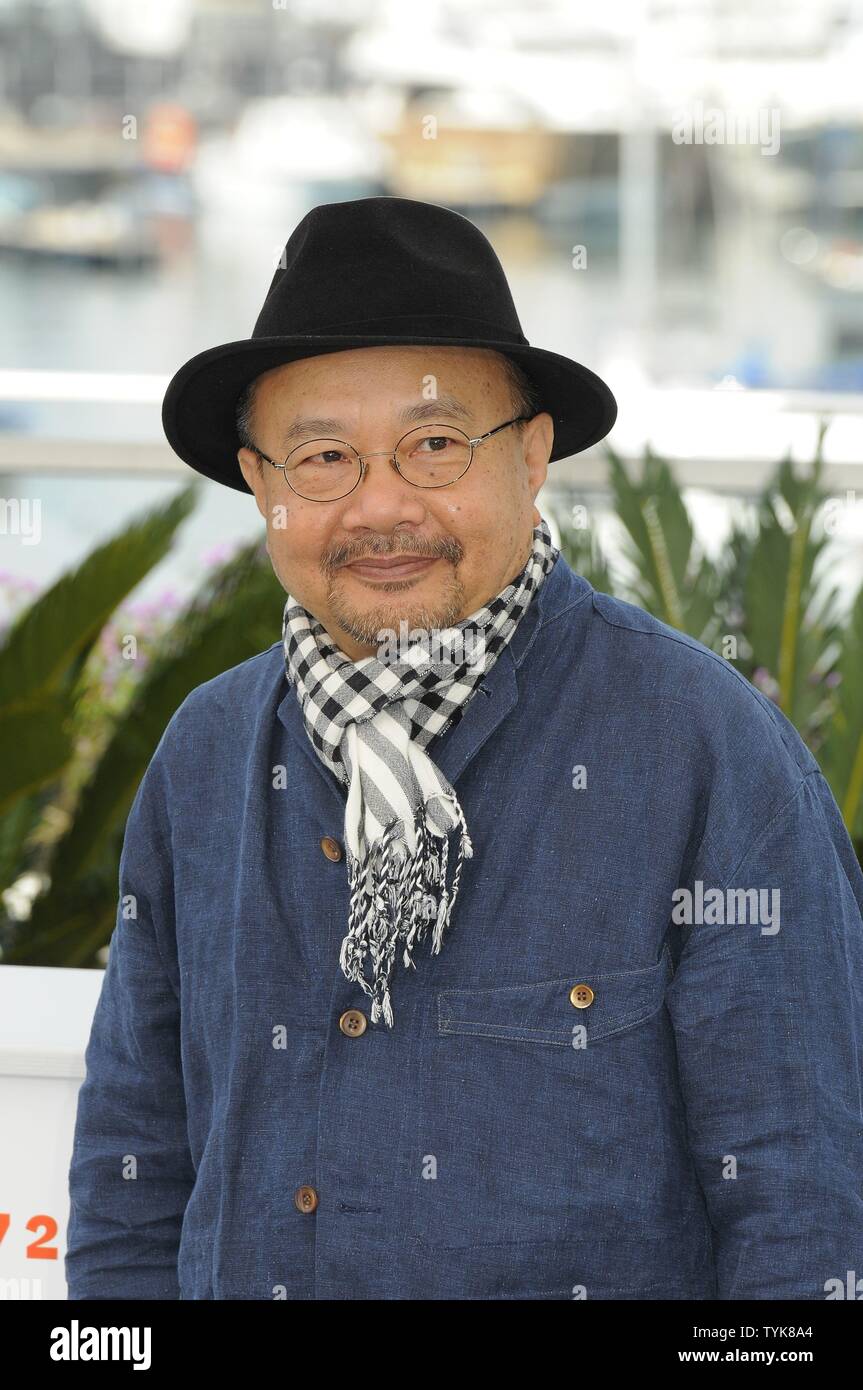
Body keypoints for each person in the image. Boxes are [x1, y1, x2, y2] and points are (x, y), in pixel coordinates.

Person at [66, 196, 863, 1300]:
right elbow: (130, 1174)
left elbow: (807, 1216)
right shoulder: (204, 753)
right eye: (323, 456)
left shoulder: (704, 750)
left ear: (531, 456)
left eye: (434, 444)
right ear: (260, 484)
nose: (379, 504)